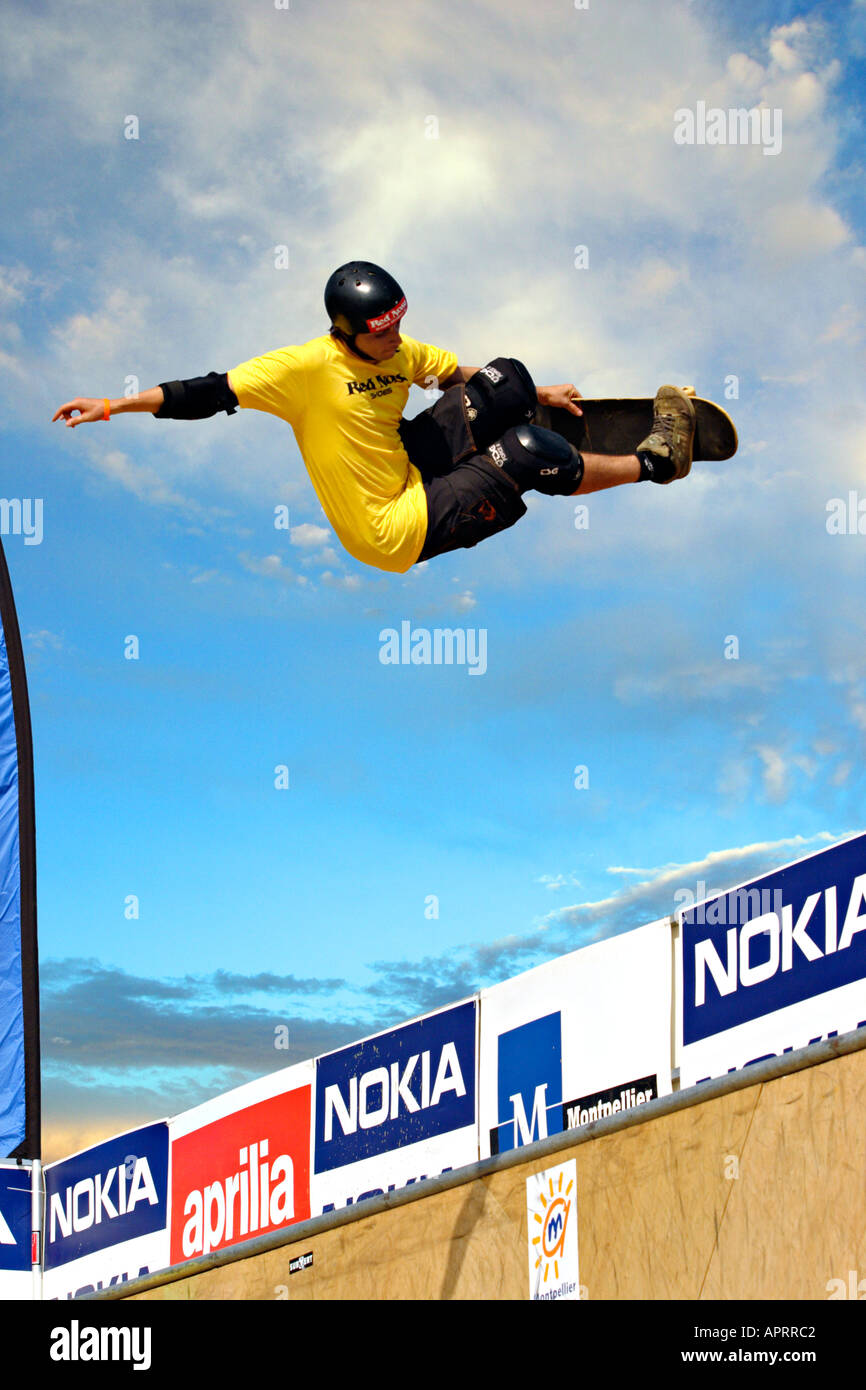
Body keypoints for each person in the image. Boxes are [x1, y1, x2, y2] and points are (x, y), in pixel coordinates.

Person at [52, 261, 695, 574]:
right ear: (345, 331)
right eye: (382, 334)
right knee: (527, 449)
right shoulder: (299, 371)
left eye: (399, 327)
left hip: (409, 459)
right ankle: (657, 462)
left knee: (509, 376)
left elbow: (451, 373)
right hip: (394, 527)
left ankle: (537, 433)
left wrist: (538, 392)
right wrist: (113, 405)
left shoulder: (402, 349)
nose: (396, 342)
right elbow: (204, 392)